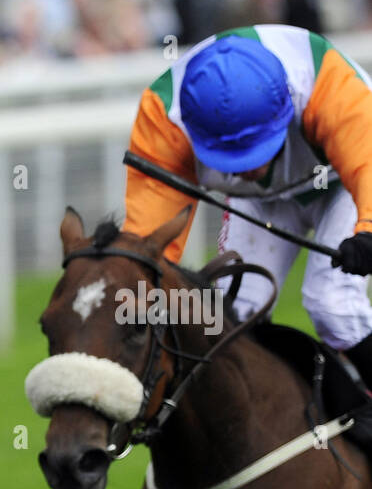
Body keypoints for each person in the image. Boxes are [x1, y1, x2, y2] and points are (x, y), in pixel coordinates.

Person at [124, 25, 372, 386]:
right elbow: (147, 245)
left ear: (287, 102)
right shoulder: (164, 119)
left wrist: (368, 231)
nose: (247, 170)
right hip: (265, 202)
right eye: (231, 158)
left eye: (257, 150)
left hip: (344, 184)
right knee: (229, 319)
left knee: (332, 304)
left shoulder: (327, 85)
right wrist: (134, 300)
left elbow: (366, 163)